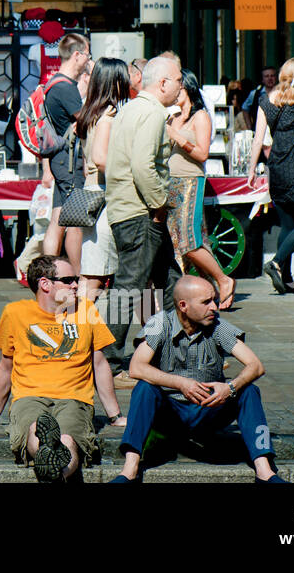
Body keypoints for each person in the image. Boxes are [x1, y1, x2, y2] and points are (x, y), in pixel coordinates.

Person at [110, 275, 284, 483]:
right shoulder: (159, 323)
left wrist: (230, 387)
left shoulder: (219, 327)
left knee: (249, 391)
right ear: (183, 305)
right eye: (206, 302)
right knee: (144, 388)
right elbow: (136, 367)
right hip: (169, 413)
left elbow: (256, 365)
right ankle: (129, 470)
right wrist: (180, 383)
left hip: (208, 410)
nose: (214, 307)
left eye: (214, 300)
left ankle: (265, 471)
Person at [0, 254, 123, 482]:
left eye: (76, 279)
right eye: (68, 280)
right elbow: (5, 367)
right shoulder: (15, 313)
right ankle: (56, 470)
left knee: (68, 439)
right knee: (35, 429)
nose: (76, 285)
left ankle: (52, 471)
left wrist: (115, 415)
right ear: (45, 284)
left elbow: (99, 364)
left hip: (74, 399)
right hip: (29, 397)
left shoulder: (86, 310)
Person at [103, 55, 182, 369]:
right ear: (162, 83)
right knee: (130, 285)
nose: (181, 86)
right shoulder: (150, 112)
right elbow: (142, 166)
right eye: (177, 80)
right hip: (141, 212)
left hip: (131, 210)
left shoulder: (133, 107)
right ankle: (106, 358)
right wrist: (159, 204)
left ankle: (181, 347)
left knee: (170, 281)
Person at [247, 57, 294, 295]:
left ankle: (286, 279)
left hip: (276, 169)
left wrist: (250, 169)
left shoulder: (266, 101)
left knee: (288, 225)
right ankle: (276, 262)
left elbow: (258, 138)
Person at [166, 70, 236, 308]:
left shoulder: (200, 117)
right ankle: (206, 295)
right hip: (170, 182)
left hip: (189, 181)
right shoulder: (174, 116)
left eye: (177, 88)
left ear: (187, 88)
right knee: (178, 244)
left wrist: (176, 136)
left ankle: (223, 279)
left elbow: (202, 154)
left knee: (189, 241)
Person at [76, 57, 128, 306]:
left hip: (91, 192)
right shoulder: (109, 114)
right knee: (95, 274)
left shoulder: (90, 111)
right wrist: (129, 175)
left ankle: (78, 330)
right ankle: (76, 331)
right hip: (105, 195)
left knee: (93, 269)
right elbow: (100, 158)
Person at [42, 33, 93, 271]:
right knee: (75, 221)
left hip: (59, 158)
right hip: (70, 160)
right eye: (87, 54)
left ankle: (49, 271)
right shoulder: (65, 88)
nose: (89, 60)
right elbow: (86, 121)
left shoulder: (55, 83)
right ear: (77, 55)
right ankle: (77, 272)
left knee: (57, 217)